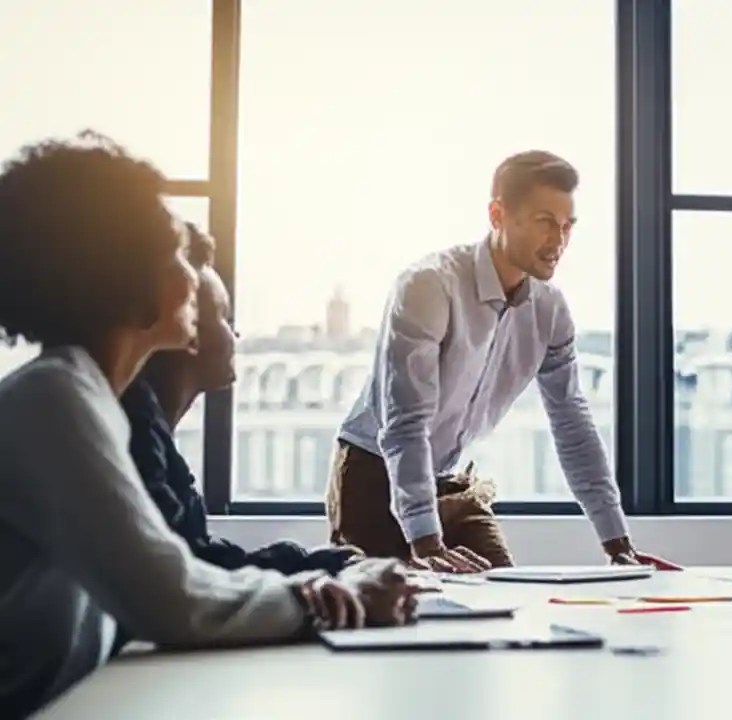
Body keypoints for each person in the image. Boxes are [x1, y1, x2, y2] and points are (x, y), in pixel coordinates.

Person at [0, 134, 415, 717]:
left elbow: (170, 577)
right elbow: (171, 596)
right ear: (123, 272)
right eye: (174, 251)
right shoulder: (54, 399)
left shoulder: (77, 395)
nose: (194, 278)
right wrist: (321, 599)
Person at [327, 149, 674, 573]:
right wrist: (427, 543)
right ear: (497, 215)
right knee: (396, 608)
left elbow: (572, 423)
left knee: (504, 592)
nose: (559, 241)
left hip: (445, 477)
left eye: (567, 227)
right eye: (546, 222)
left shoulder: (550, 310)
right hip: (371, 470)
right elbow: (404, 424)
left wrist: (618, 544)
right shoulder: (428, 286)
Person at [122, 222, 358, 575]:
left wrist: (328, 564)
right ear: (187, 327)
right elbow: (188, 573)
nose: (236, 333)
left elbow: (197, 557)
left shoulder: (150, 427)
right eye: (224, 317)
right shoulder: (130, 429)